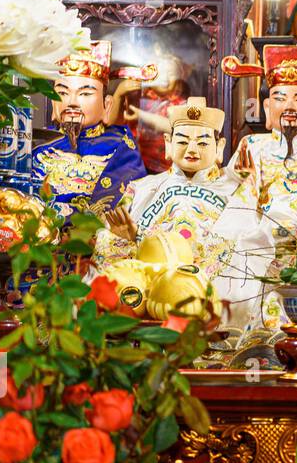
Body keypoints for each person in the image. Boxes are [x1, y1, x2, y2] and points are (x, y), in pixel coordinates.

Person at [95, 98, 270, 328]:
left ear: (220, 148)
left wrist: (251, 191)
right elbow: (109, 254)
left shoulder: (236, 188)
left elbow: (253, 244)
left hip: (209, 294)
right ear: (168, 144)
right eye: (183, 141)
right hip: (149, 296)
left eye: (203, 143)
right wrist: (124, 240)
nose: (192, 150)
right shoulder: (141, 189)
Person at [221, 45, 297, 246]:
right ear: (266, 108)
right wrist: (247, 183)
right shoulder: (252, 145)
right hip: (256, 246)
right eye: (280, 98)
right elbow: (228, 199)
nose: (289, 106)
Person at [31, 41, 148, 219]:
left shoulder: (121, 147)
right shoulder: (38, 148)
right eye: (63, 93)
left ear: (107, 105)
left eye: (85, 93)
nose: (72, 102)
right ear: (53, 104)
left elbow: (127, 209)